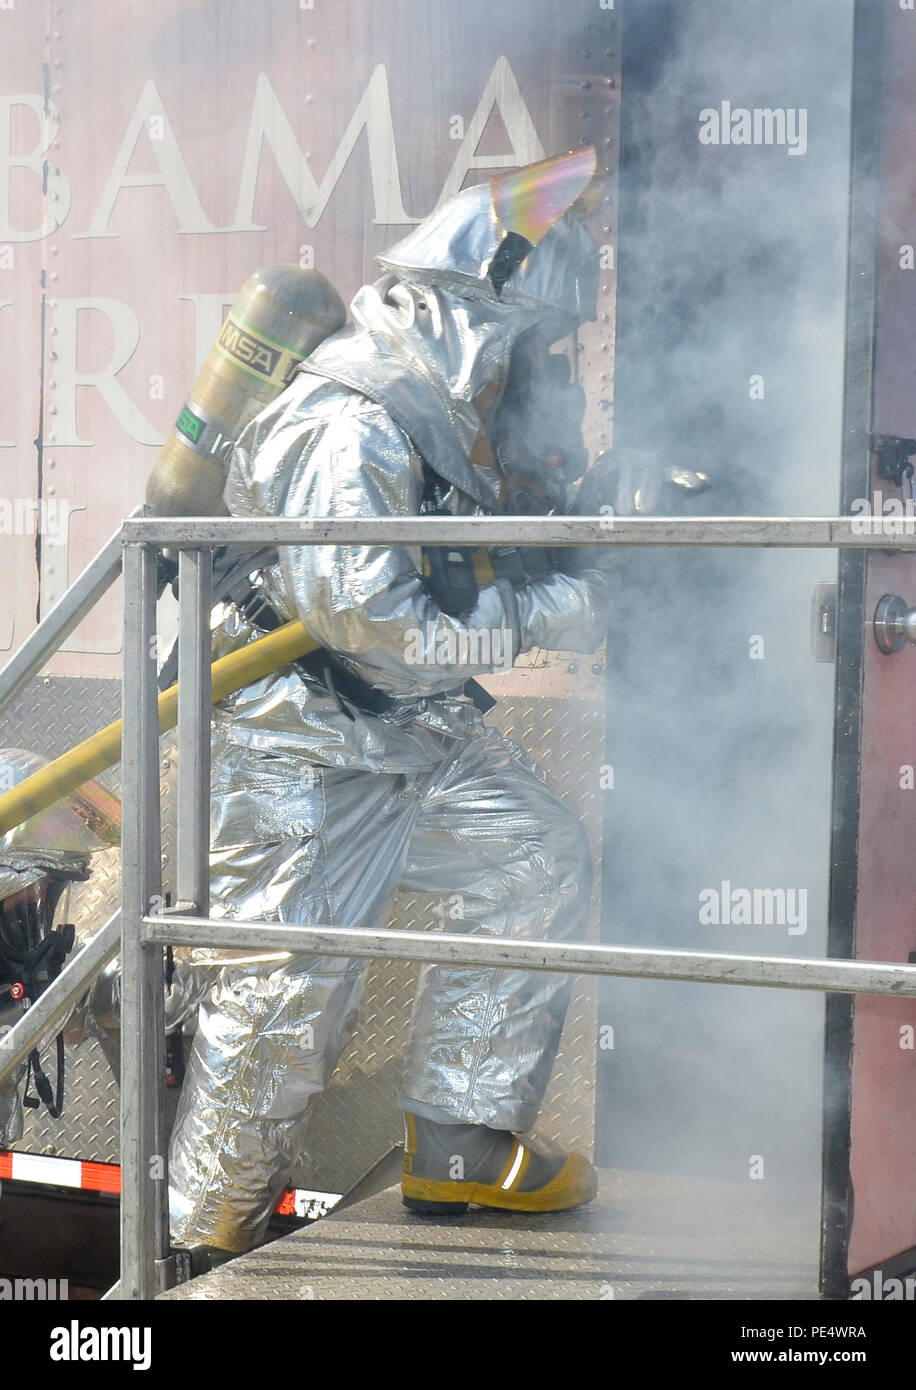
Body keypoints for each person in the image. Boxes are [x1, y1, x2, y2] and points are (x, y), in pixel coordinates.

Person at [167, 148, 616, 1255]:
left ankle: (461, 1140)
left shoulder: (442, 412)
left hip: (398, 726)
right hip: (295, 743)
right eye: (537, 343)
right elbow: (372, 620)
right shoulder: (349, 417)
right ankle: (203, 1247)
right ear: (477, 318)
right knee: (281, 1005)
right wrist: (564, 600)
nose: (549, 368)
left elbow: (457, 578)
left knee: (533, 857)